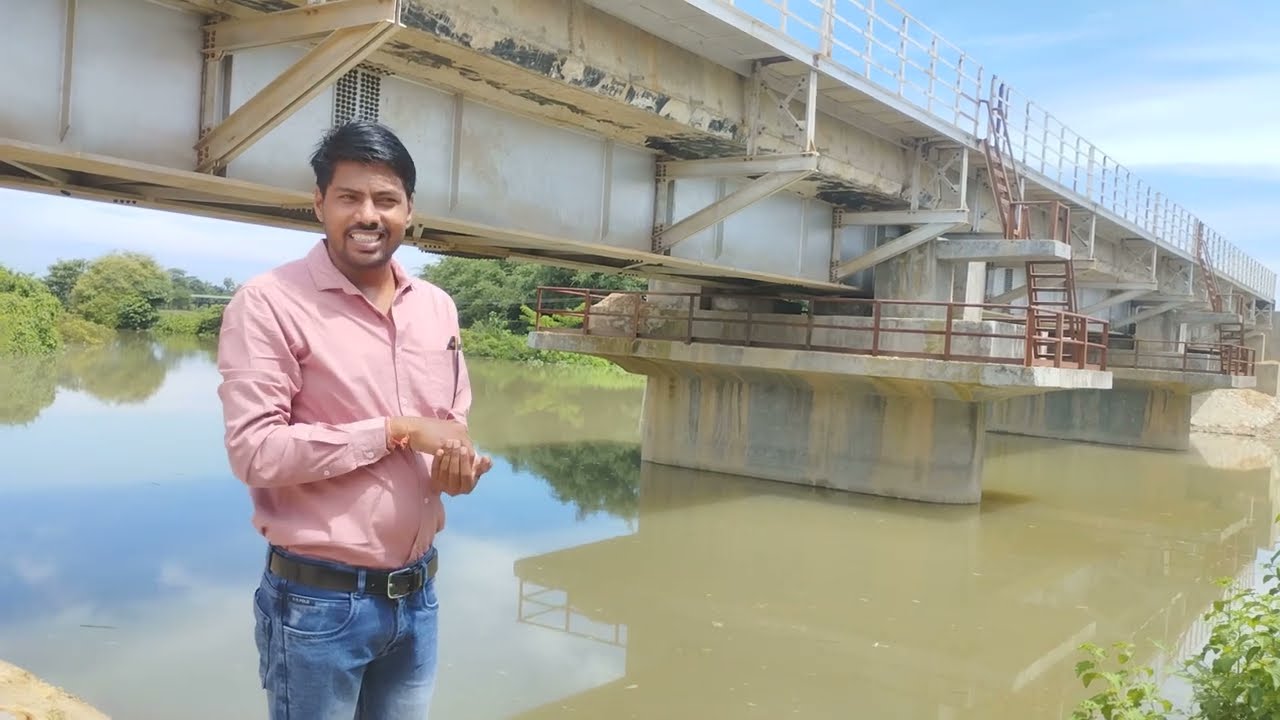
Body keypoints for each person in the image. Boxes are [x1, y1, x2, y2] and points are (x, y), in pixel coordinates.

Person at [215, 119, 492, 719]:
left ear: (409, 210)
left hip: (417, 600)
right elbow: (256, 452)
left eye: (386, 200)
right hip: (317, 606)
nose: (369, 214)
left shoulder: (438, 308)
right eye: (350, 197)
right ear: (319, 204)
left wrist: (454, 470)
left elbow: (449, 425)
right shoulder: (268, 303)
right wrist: (395, 429)